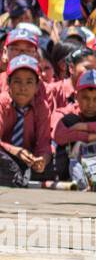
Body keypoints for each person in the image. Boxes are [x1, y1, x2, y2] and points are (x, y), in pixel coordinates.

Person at [0, 55, 52, 187]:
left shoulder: (42, 107)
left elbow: (44, 142)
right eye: (17, 82)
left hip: (28, 158)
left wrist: (42, 160)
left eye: (29, 82)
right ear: (8, 84)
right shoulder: (2, 103)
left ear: (37, 86)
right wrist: (16, 151)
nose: (23, 88)